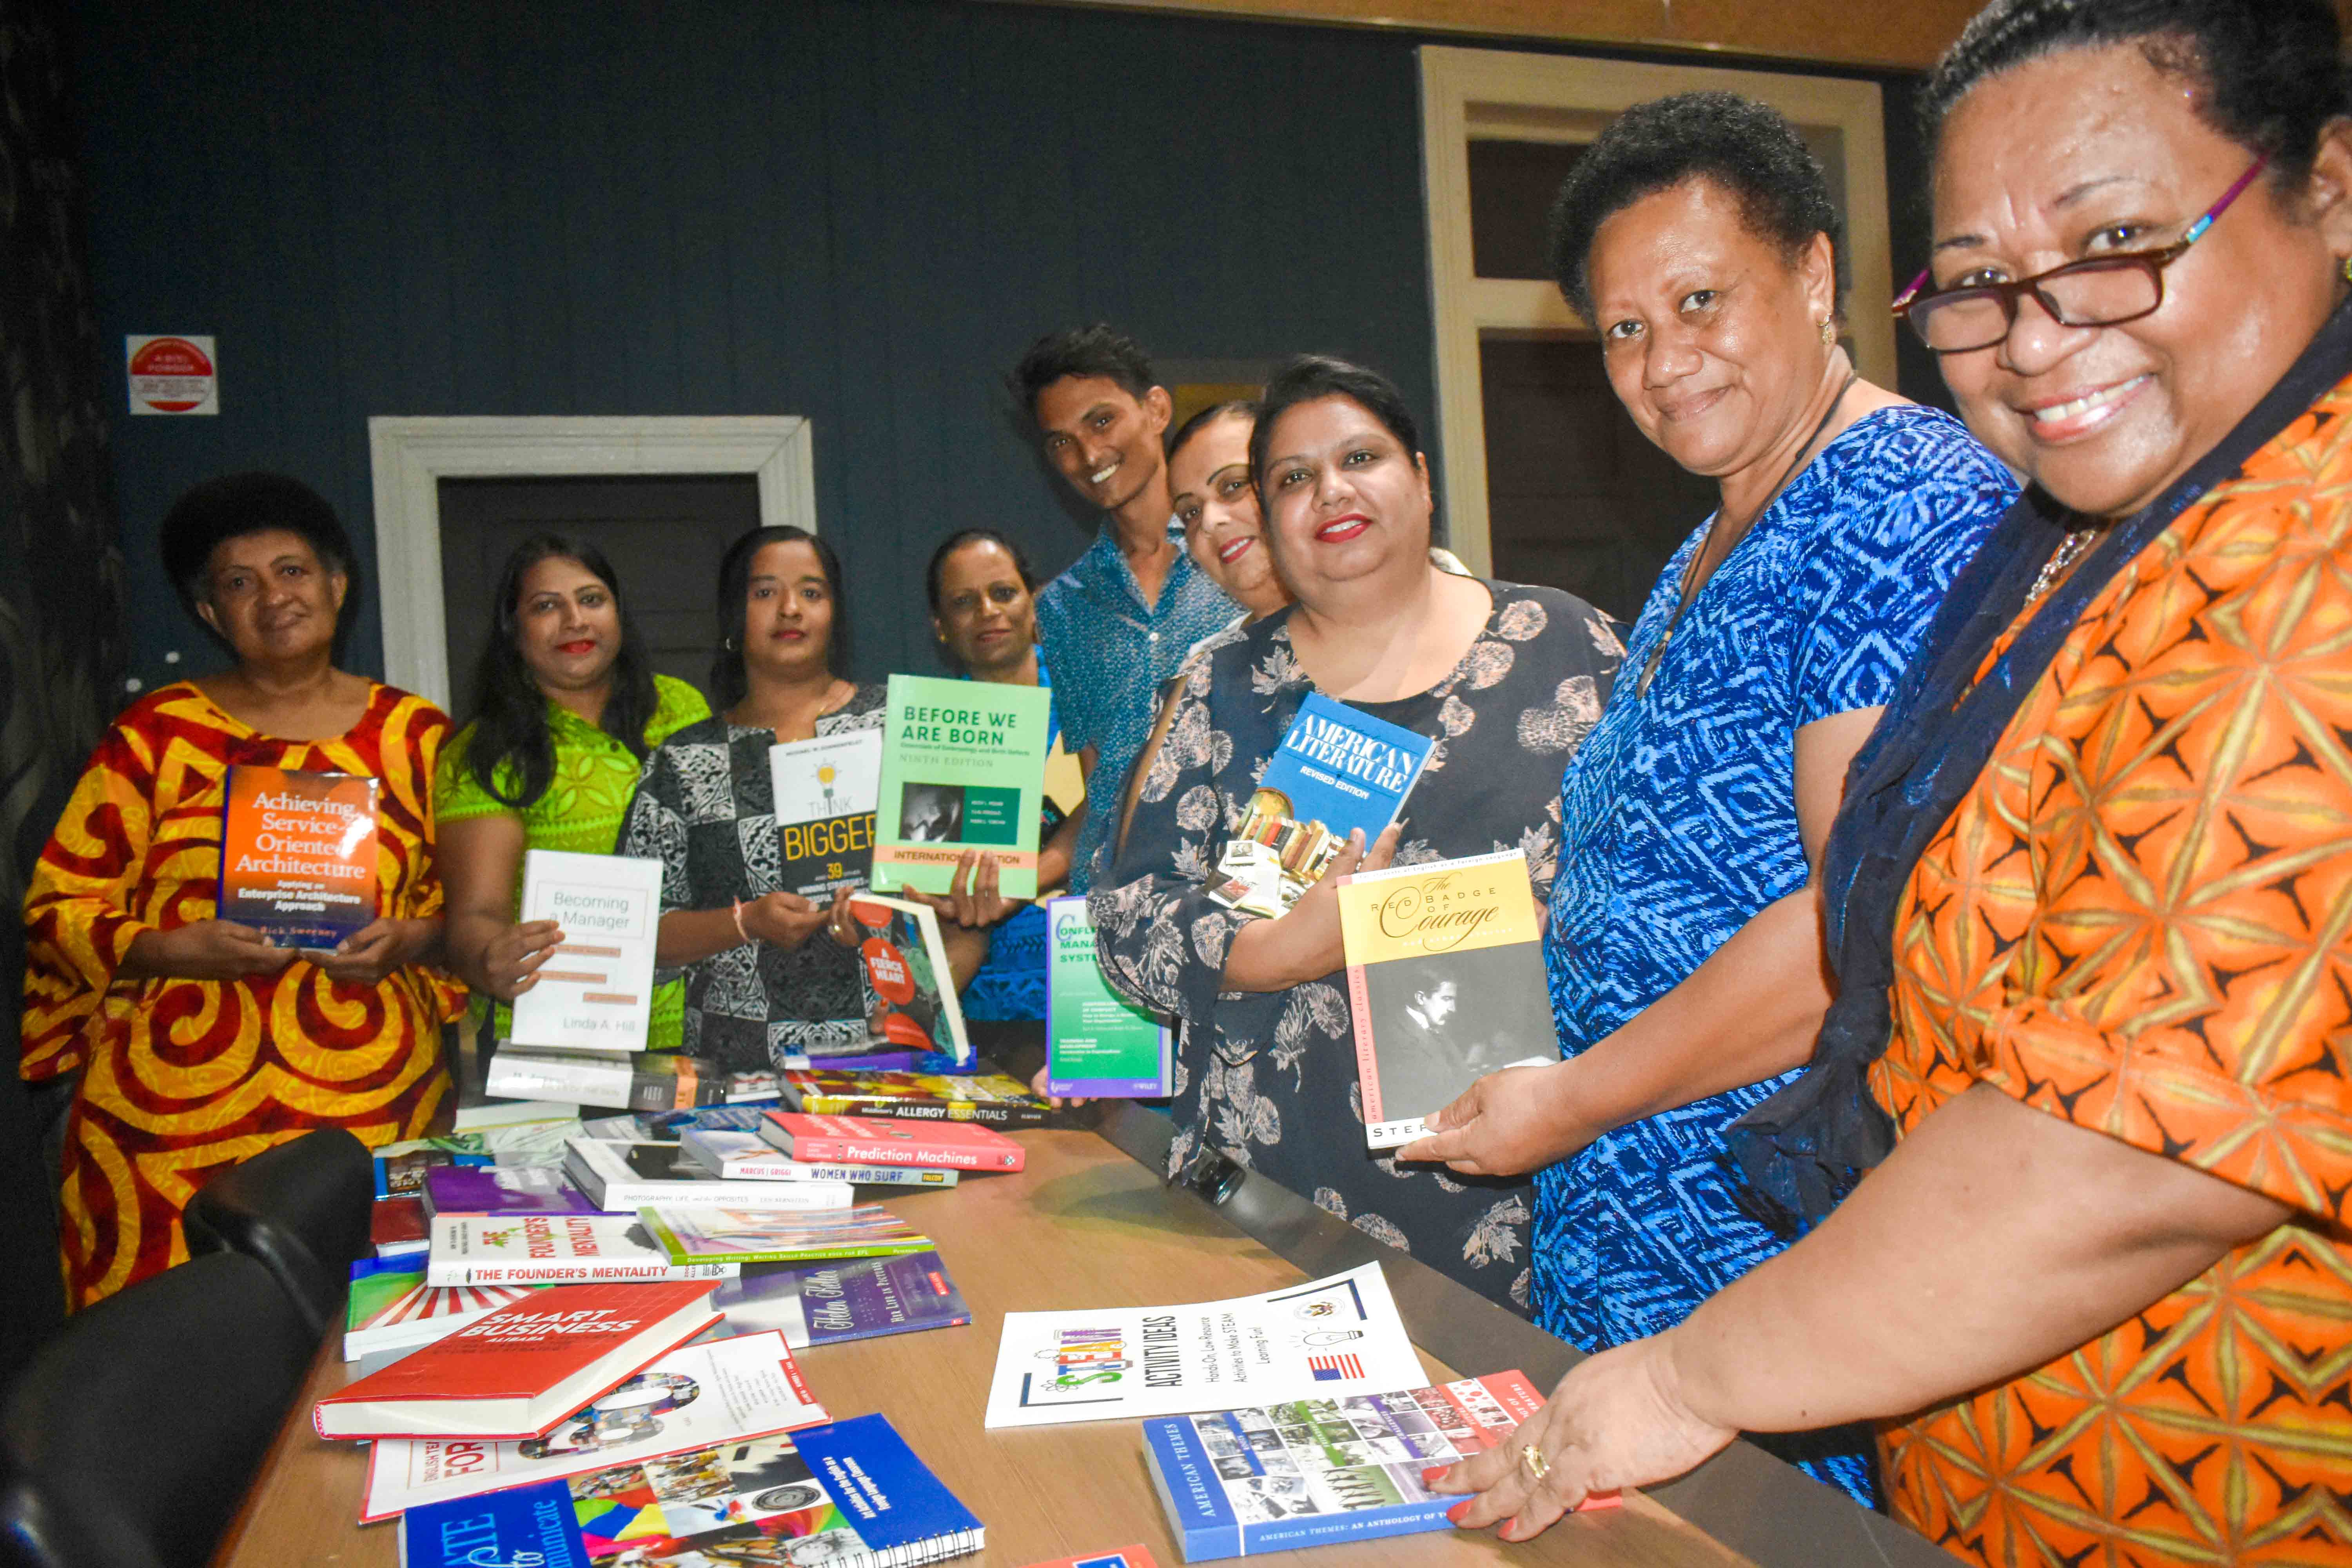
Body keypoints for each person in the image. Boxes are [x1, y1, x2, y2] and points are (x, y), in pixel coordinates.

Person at [1429, 4, 2352, 1560]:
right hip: (1914, 1397)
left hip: (2175, 1472)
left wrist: (1692, 1342)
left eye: (2117, 239)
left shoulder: (2287, 556)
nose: (2040, 330)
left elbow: (2134, 1141)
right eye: (1983, 280)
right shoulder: (2088, 529)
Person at [1396, 90, 2018, 1501]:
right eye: (1623, 329)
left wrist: (1568, 1101)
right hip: (1633, 1244)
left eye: (1697, 300)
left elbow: (1848, 928)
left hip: (1764, 1266)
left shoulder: (1894, 502)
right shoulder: (1700, 544)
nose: (1661, 360)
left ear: (1812, 271)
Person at [1091, 356, 1624, 1309]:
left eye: (1360, 456)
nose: (1329, 489)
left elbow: (1675, 893)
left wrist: (1564, 931)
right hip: (1258, 1215)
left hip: (1522, 1214)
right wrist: (1271, 951)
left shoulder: (1568, 649)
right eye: (1293, 477)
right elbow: (1127, 923)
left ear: (1420, 474)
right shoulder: (1223, 685)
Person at [20, 473, 462, 1306]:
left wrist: (414, 937)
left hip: (370, 1111)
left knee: (367, 1337)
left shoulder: (418, 735)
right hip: (166, 1129)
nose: (274, 597)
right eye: (239, 582)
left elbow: (467, 906)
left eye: (293, 571)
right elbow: (57, 903)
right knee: (170, 1369)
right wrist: (164, 946)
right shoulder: (153, 735)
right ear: (209, 614)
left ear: (337, 585)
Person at [618, 525, 882, 1071]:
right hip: (734, 1070)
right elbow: (633, 934)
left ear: (834, 613)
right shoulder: (682, 762)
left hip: (888, 1052)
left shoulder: (897, 727)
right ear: (735, 618)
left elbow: (952, 895)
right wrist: (745, 923)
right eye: (765, 593)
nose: (790, 609)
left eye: (812, 592)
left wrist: (888, 919)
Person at [435, 535, 710, 1050]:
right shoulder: (485, 753)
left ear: (618, 614)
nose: (575, 621)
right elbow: (475, 915)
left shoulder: (683, 708)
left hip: (700, 1026)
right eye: (546, 606)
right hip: (559, 1036)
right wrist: (489, 958)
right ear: (513, 630)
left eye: (591, 600)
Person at [1013, 325, 1238, 891]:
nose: (1087, 454)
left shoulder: (1242, 553)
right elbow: (1102, 790)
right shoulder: (1063, 609)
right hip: (1119, 917)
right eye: (1061, 441)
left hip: (1246, 895)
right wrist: (1017, 880)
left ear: (1156, 409)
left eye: (1102, 420)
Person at [913, 529, 1087, 1023]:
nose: (988, 610)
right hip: (981, 1009)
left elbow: (1123, 818)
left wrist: (1028, 876)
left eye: (1004, 593)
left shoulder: (1091, 696)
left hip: (1096, 1002)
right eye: (964, 602)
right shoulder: (930, 734)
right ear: (941, 626)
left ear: (1033, 604)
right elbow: (939, 909)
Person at [1167, 401, 1292, 622]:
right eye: (1191, 512)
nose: (1209, 521)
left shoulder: (1371, 628)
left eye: (1233, 486)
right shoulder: (1211, 657)